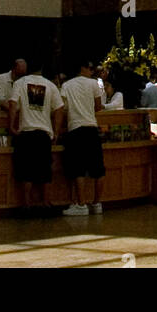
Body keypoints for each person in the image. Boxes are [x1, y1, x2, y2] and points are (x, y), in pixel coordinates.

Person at [6, 63, 65, 213]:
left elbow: (12, 105)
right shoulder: (50, 85)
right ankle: (46, 203)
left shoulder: (20, 83)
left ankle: (26, 204)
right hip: (43, 134)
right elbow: (59, 108)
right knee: (45, 170)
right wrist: (56, 131)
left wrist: (12, 126)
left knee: (26, 170)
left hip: (25, 132)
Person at [60, 62, 106, 216]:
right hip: (92, 127)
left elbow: (63, 108)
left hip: (75, 129)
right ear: (83, 68)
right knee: (98, 169)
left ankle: (81, 204)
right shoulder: (94, 84)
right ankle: (97, 203)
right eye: (91, 68)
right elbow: (99, 106)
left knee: (78, 169)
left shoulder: (66, 85)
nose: (92, 72)